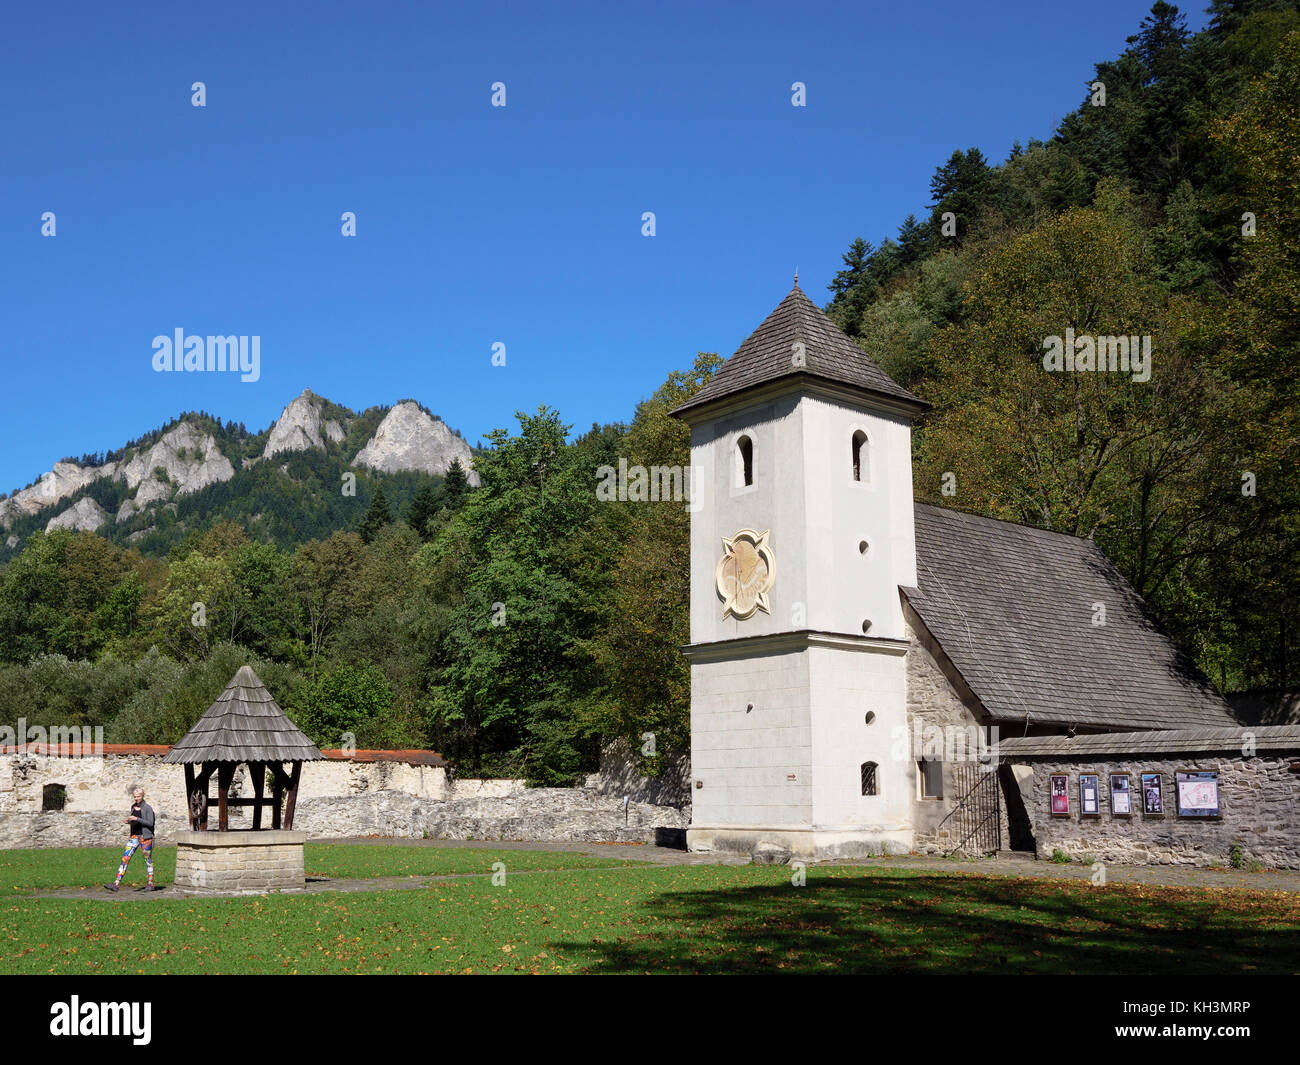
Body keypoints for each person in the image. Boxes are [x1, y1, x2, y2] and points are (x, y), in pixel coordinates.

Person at [104, 787, 158, 892]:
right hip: (133, 837)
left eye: (138, 797)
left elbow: (150, 823)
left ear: (143, 796)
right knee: (125, 858)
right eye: (134, 797)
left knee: (148, 860)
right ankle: (116, 884)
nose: (136, 798)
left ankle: (150, 884)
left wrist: (136, 819)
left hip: (145, 837)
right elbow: (136, 821)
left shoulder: (148, 808)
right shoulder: (133, 807)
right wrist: (129, 821)